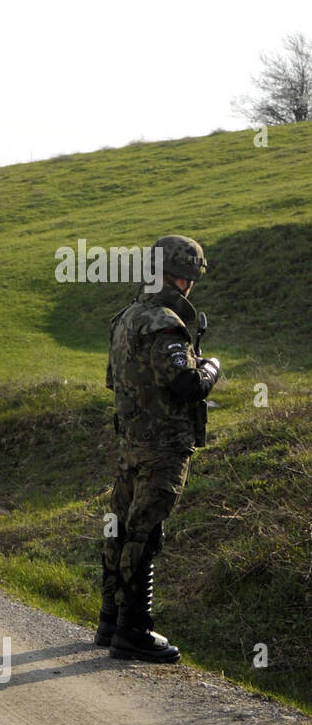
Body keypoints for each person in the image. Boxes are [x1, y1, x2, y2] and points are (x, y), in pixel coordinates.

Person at [99, 235, 221, 662]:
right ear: (181, 275)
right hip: (162, 447)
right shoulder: (165, 323)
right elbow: (187, 385)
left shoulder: (126, 317)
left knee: (119, 526)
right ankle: (133, 631)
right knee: (145, 533)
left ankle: (110, 619)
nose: (191, 284)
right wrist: (212, 367)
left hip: (130, 444)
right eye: (189, 276)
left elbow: (116, 383)